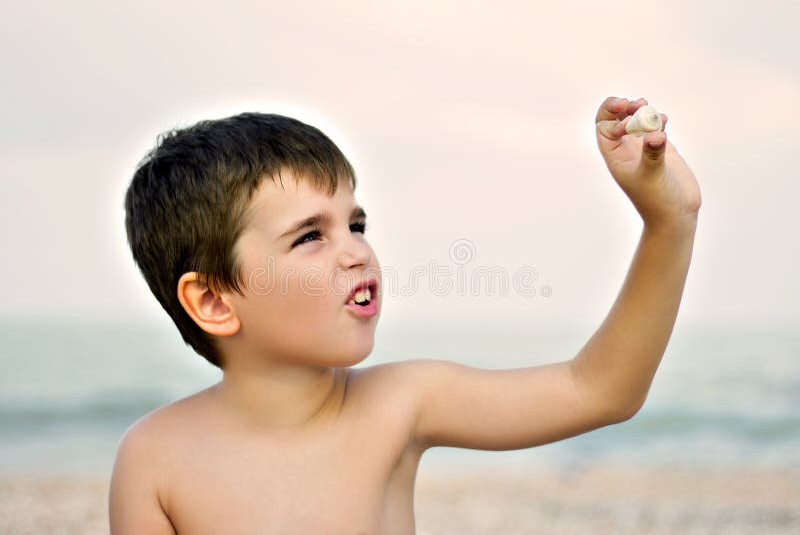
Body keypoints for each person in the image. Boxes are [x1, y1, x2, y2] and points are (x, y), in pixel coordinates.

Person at [109, 97, 701, 533]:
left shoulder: (401, 404)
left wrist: (669, 222)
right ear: (213, 301)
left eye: (356, 224)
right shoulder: (154, 458)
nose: (357, 250)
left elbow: (599, 390)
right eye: (310, 236)